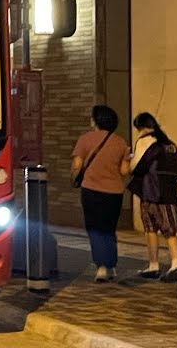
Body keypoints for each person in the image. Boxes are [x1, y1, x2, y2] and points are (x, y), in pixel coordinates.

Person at [71, 104, 131, 282]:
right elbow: (124, 171)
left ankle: (101, 266)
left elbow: (77, 164)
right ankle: (111, 265)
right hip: (114, 192)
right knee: (109, 229)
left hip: (91, 190)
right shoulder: (120, 142)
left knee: (95, 228)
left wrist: (75, 177)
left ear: (95, 121)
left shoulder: (85, 139)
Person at [129, 112, 177, 282]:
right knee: (169, 227)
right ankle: (175, 261)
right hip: (169, 191)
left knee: (151, 228)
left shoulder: (145, 141)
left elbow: (136, 166)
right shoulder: (169, 144)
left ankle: (156, 264)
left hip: (151, 191)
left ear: (140, 127)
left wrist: (130, 160)